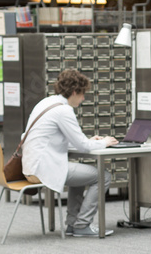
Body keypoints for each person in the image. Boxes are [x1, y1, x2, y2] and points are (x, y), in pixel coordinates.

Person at [21, 68, 118, 237]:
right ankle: (82, 224)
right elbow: (83, 146)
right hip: (44, 169)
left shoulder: (46, 103)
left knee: (81, 173)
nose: (83, 98)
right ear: (74, 92)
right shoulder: (63, 110)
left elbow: (66, 140)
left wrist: (89, 141)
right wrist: (105, 142)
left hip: (31, 165)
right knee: (103, 176)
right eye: (82, 94)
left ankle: (73, 224)